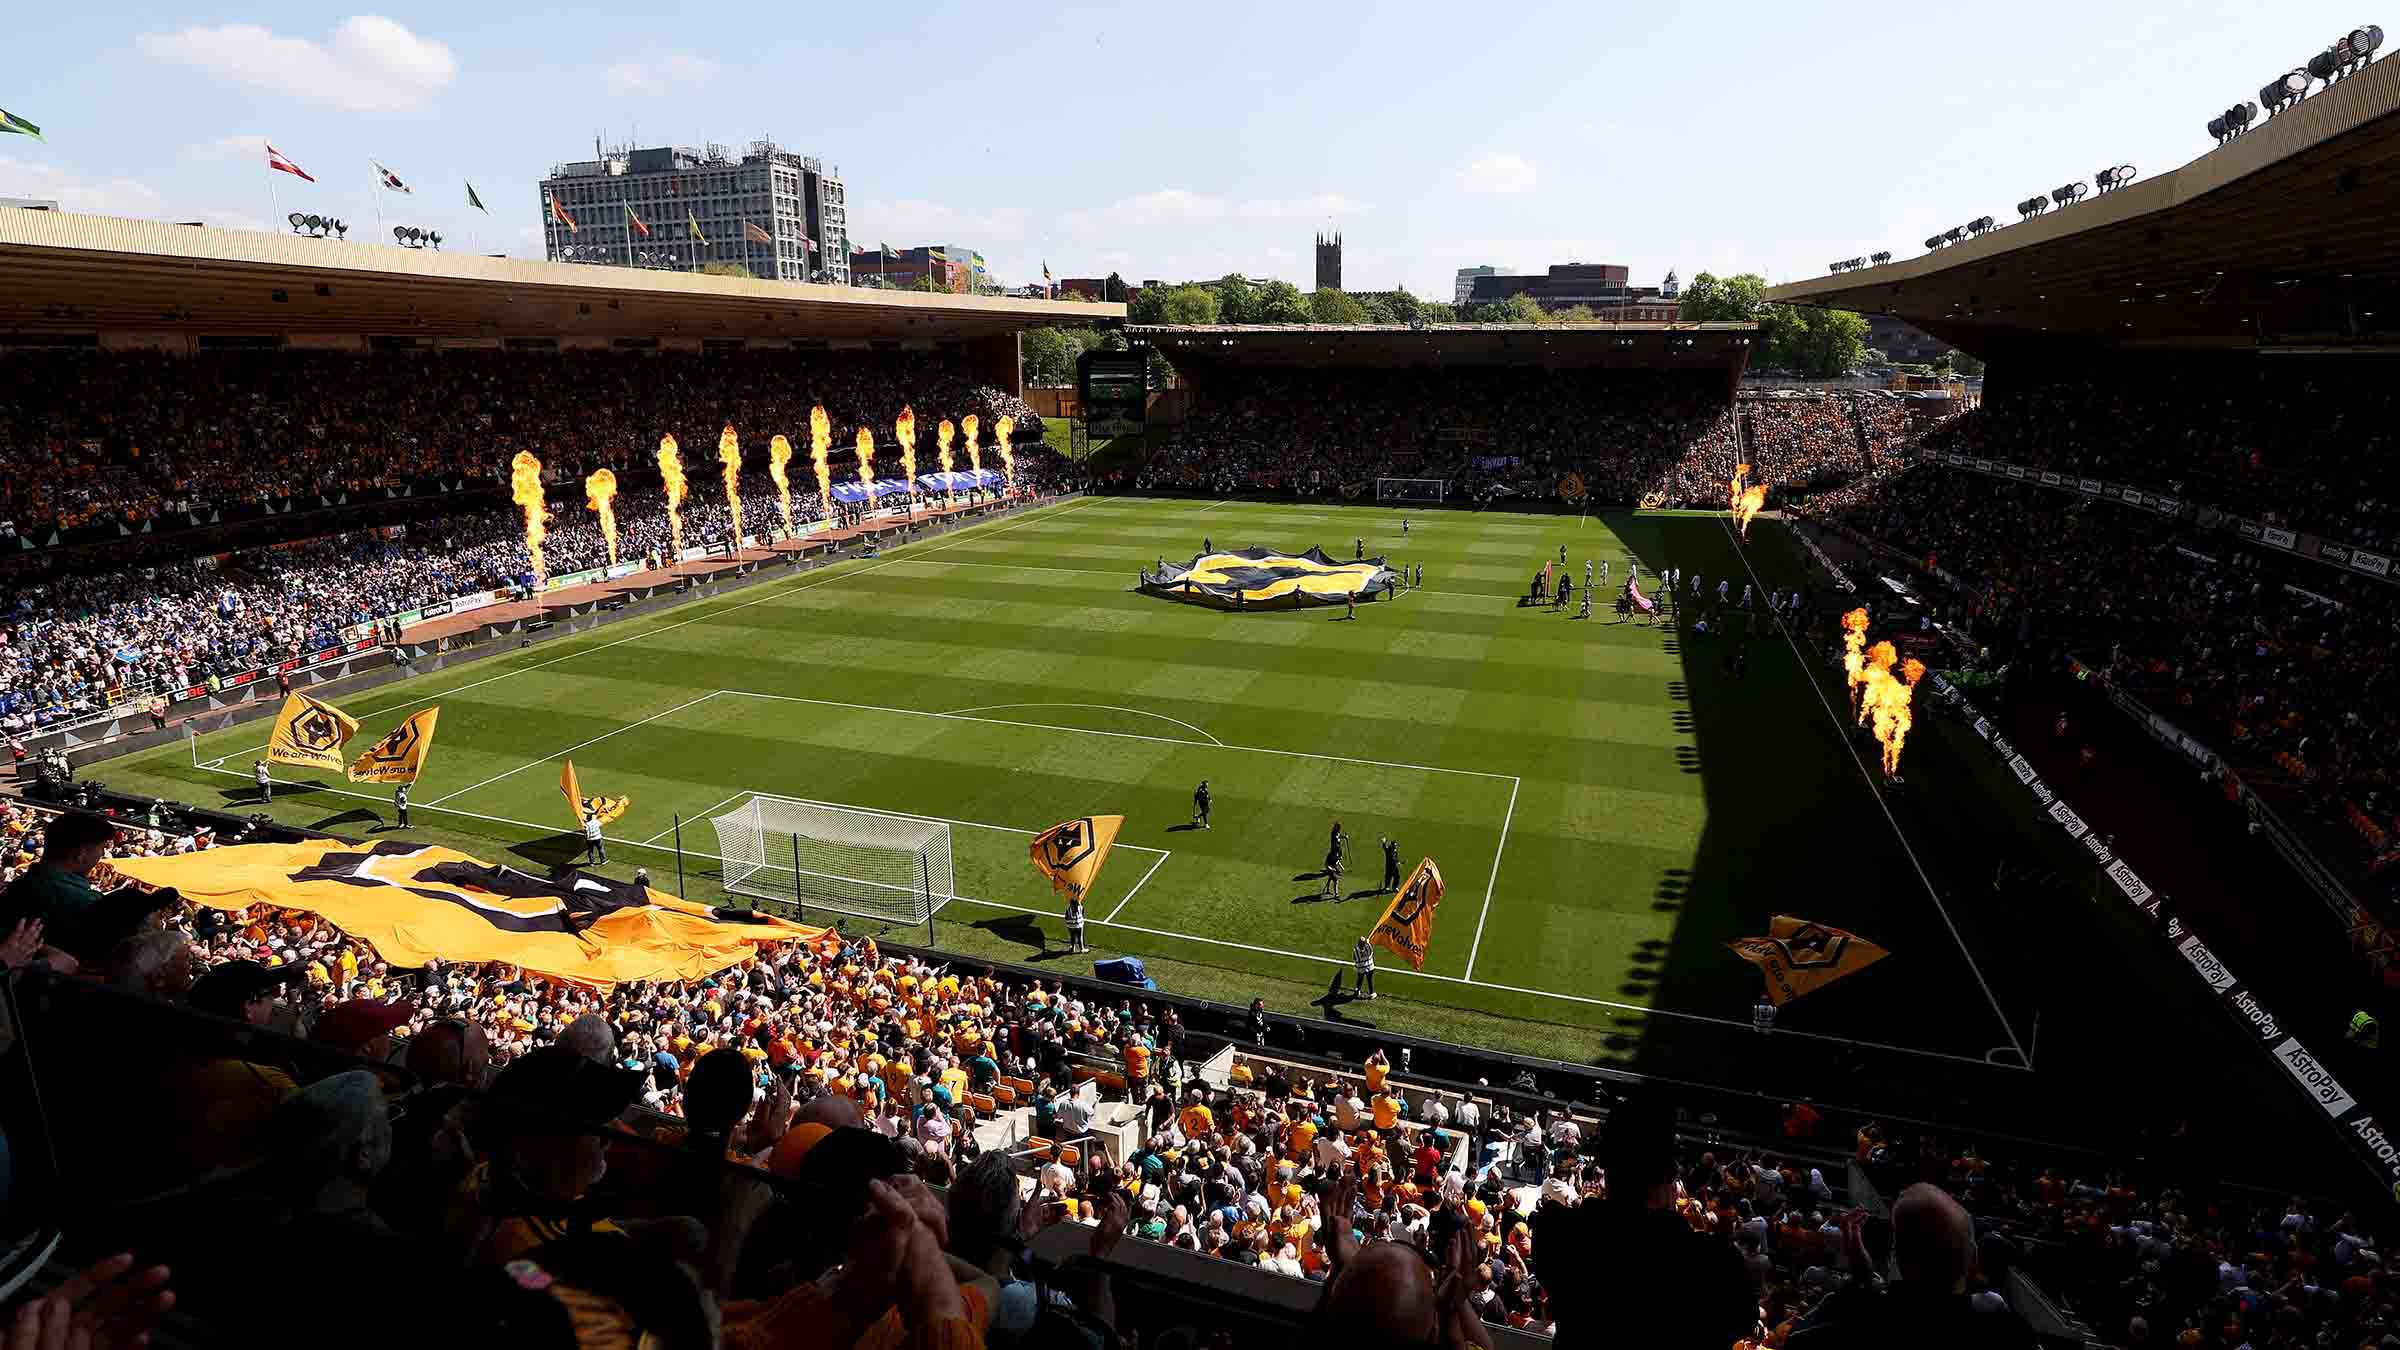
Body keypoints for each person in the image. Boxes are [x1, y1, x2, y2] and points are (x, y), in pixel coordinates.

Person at [1535, 1096, 1752, 1349]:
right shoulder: (1715, 1262)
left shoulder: (1558, 1232)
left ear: (1604, 1163)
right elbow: (1740, 1322)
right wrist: (1669, 1217)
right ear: (1670, 1173)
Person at [1353, 935, 1377, 1000]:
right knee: (1370, 981)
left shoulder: (1356, 949)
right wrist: (1368, 942)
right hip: (1370, 967)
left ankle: (1357, 991)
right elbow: (1371, 951)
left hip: (1361, 968)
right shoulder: (1368, 947)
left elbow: (1355, 958)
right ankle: (1371, 993)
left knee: (1360, 980)